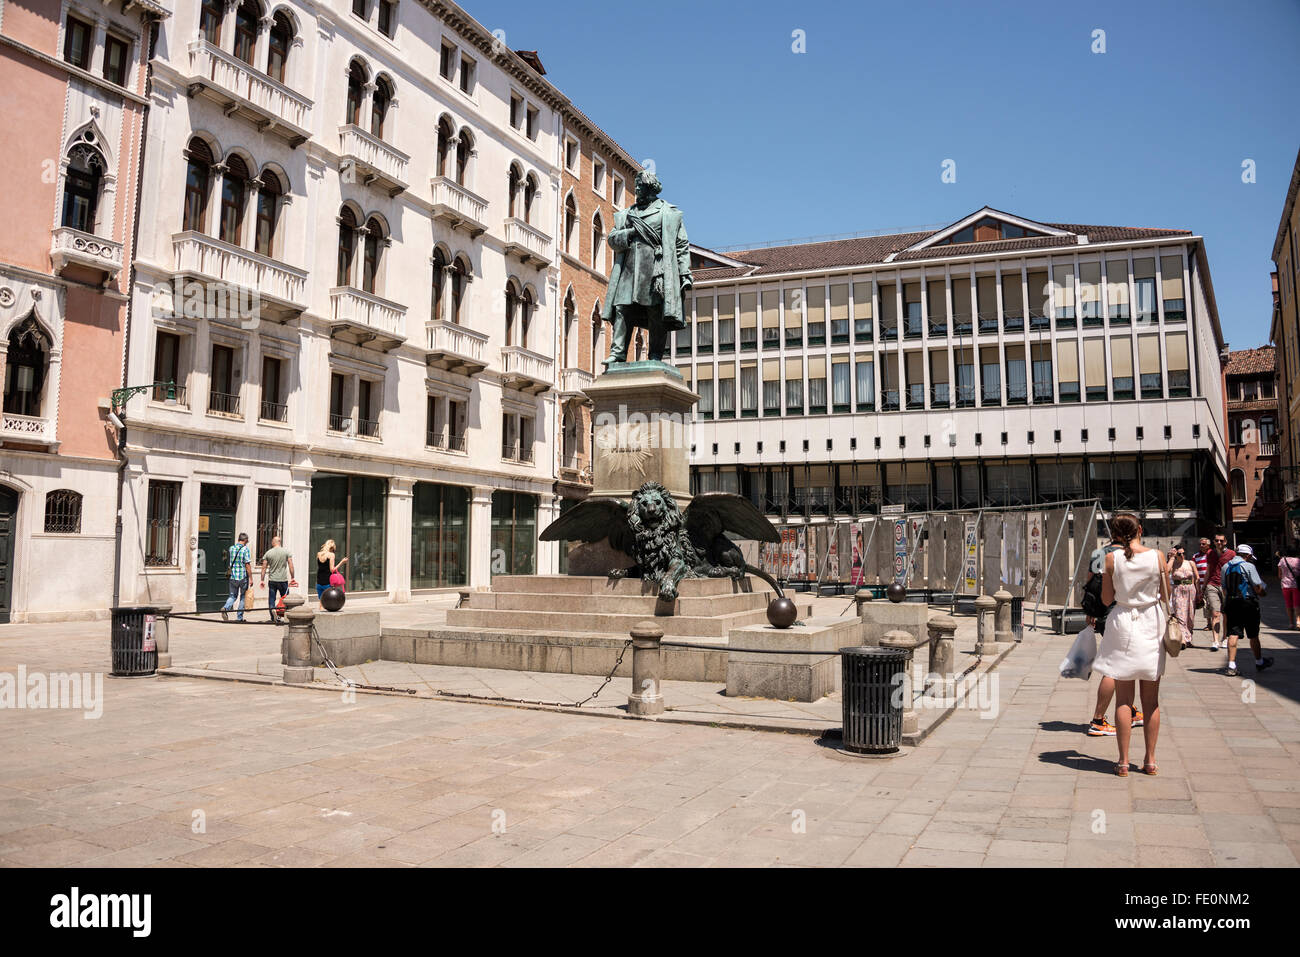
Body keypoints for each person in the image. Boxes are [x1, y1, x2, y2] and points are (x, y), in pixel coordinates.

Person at [1094, 514, 1168, 776]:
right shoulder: (1157, 556)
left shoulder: (1111, 559)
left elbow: (1105, 599)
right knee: (1151, 701)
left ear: (1114, 533)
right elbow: (1165, 592)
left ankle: (1123, 761)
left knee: (1124, 699)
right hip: (1151, 622)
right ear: (1140, 529)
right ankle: (1150, 760)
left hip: (1123, 622)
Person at [1082, 532, 1143, 737]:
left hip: (1102, 612)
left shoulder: (1099, 553)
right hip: (1121, 613)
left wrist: (1090, 611)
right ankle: (1098, 720)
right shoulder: (1130, 554)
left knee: (1123, 661)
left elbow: (1090, 582)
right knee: (1114, 666)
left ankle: (1130, 710)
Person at [1220, 544, 1274, 676]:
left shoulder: (1225, 567)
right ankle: (1259, 662)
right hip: (1248, 603)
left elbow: (1224, 588)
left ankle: (1231, 665)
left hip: (1232, 603)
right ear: (1248, 555)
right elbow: (1257, 587)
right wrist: (1263, 594)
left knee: (1232, 633)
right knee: (1253, 634)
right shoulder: (1249, 566)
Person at [1202, 532, 1236, 652]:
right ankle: (1215, 641)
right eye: (1217, 540)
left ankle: (1225, 638)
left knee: (1226, 614)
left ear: (1225, 542)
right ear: (1214, 542)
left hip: (1226, 586)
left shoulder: (1231, 554)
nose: (1219, 543)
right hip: (1212, 585)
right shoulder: (1210, 553)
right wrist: (1204, 586)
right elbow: (1209, 570)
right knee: (1216, 613)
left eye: (1221, 541)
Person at [259, 537, 297, 624]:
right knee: (286, 599)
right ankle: (285, 615)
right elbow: (291, 564)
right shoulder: (286, 552)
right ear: (280, 542)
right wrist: (293, 577)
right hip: (283, 580)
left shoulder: (268, 553)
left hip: (272, 580)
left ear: (273, 542)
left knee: (272, 599)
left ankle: (273, 616)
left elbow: (264, 567)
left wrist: (262, 580)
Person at [1168, 544, 1197, 650]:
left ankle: (1188, 639)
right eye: (1179, 554)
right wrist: (1171, 557)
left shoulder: (1190, 563)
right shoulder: (1173, 564)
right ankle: (1183, 639)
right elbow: (1166, 570)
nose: (1182, 555)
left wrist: (1199, 594)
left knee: (1190, 616)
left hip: (1190, 590)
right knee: (1180, 615)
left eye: (1183, 553)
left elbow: (1196, 578)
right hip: (1178, 590)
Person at [221, 532, 253, 623]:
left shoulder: (231, 548)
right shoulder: (245, 549)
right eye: (247, 540)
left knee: (232, 595)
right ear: (245, 540)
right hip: (242, 577)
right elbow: (247, 565)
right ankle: (239, 618)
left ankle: (225, 608)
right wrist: (251, 578)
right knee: (243, 596)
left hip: (233, 576)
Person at [1191, 536, 1213, 640]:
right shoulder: (1195, 556)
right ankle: (1209, 623)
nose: (1201, 546)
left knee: (1211, 603)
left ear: (1208, 545)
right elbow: (1193, 570)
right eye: (1200, 544)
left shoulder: (1213, 554)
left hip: (1211, 583)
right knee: (1205, 604)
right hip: (1200, 584)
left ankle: (1213, 622)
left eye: (1203, 544)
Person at [1277, 546, 1300, 629]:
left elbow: (1279, 575)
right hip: (1296, 585)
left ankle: (1291, 623)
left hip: (1285, 585)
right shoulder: (1298, 561)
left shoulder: (1282, 560)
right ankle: (1298, 621)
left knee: (1288, 604)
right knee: (1297, 604)